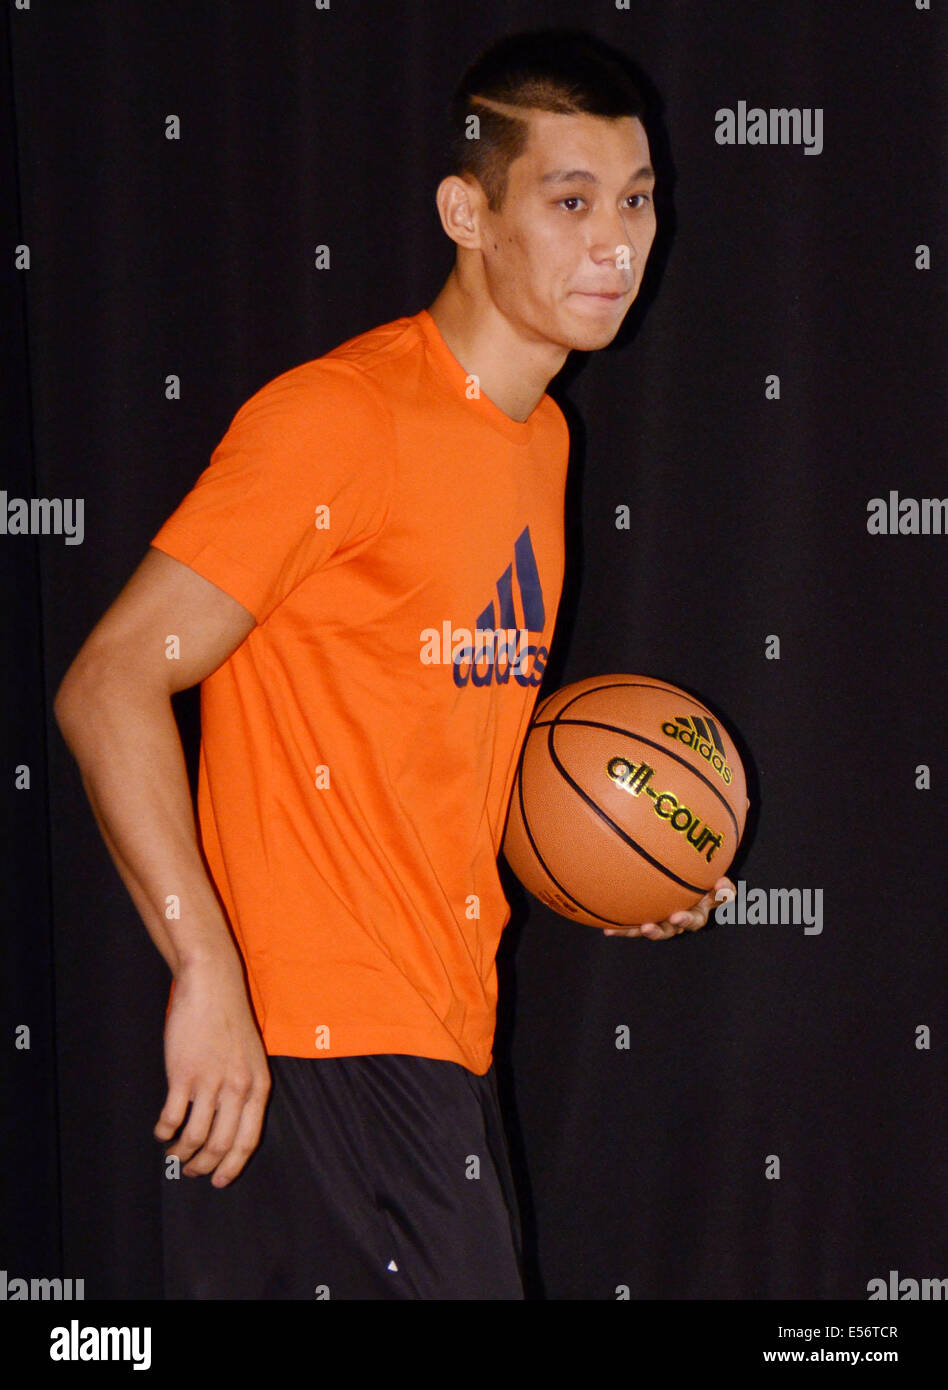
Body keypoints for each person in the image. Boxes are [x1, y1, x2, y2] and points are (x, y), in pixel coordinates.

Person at [54, 27, 736, 1300]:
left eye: (638, 200)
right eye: (571, 199)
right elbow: (107, 681)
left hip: (440, 1047)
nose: (618, 241)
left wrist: (612, 850)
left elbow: (421, 748)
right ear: (465, 213)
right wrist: (207, 969)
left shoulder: (541, 447)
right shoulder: (339, 419)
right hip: (311, 1059)